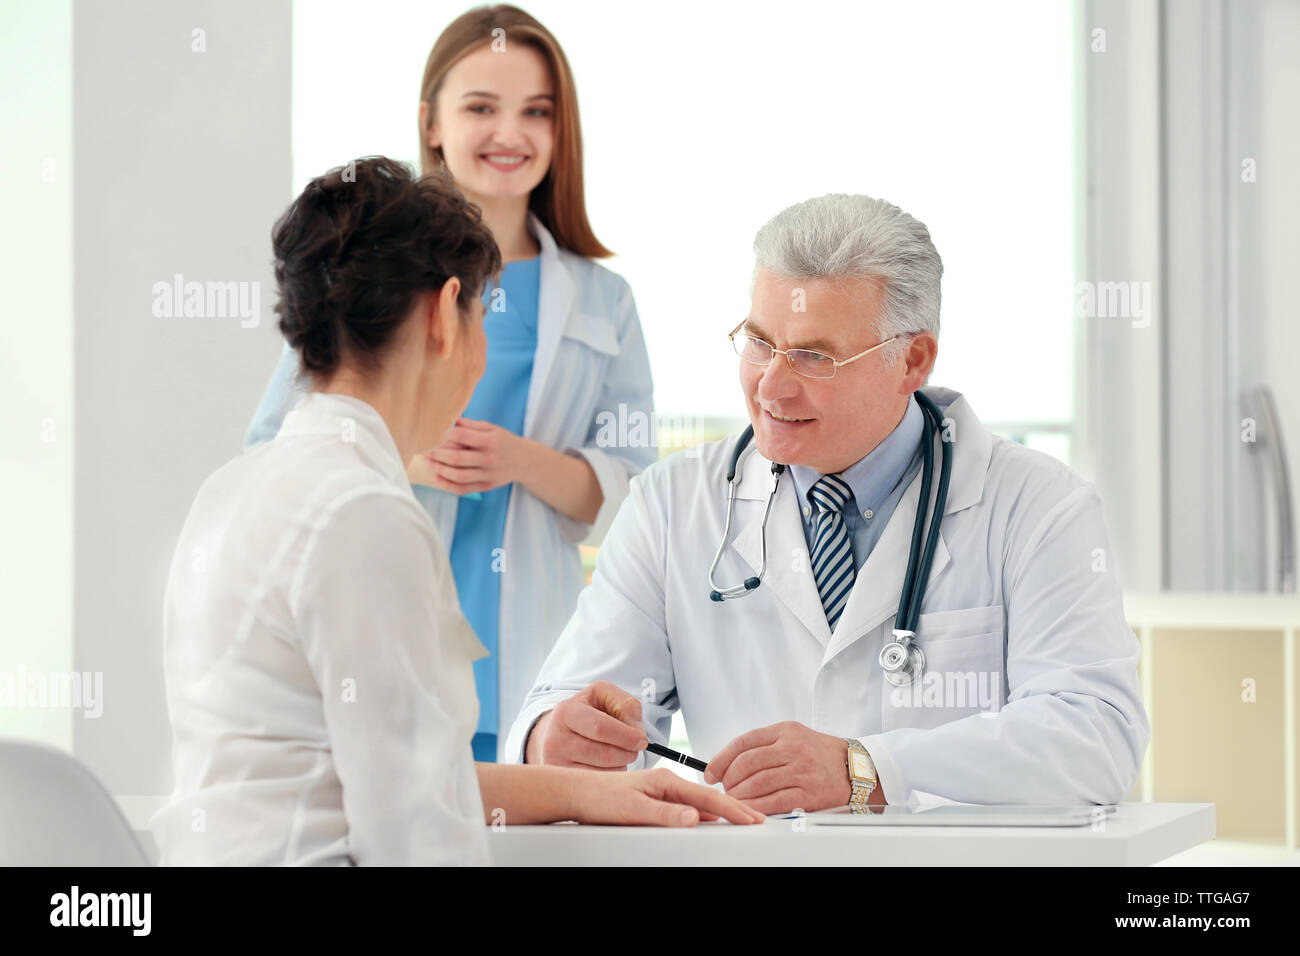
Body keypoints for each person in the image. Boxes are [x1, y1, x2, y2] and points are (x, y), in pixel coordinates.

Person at [150, 158, 761, 866]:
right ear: (445, 313)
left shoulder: (233, 490)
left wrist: (579, 793)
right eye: (482, 314)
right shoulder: (363, 514)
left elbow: (377, 778)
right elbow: (415, 836)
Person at [504, 193, 1151, 813]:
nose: (772, 387)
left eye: (814, 356)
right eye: (759, 342)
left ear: (913, 360)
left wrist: (867, 769)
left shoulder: (1037, 506)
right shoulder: (672, 506)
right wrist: (553, 738)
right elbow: (566, 703)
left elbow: (1096, 736)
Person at [244, 5, 654, 763]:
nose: (511, 133)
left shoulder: (603, 303)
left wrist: (520, 461)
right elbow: (275, 445)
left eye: (537, 111)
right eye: (481, 108)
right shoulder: (371, 276)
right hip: (382, 619)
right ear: (431, 122)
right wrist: (407, 459)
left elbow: (634, 495)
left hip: (533, 639)